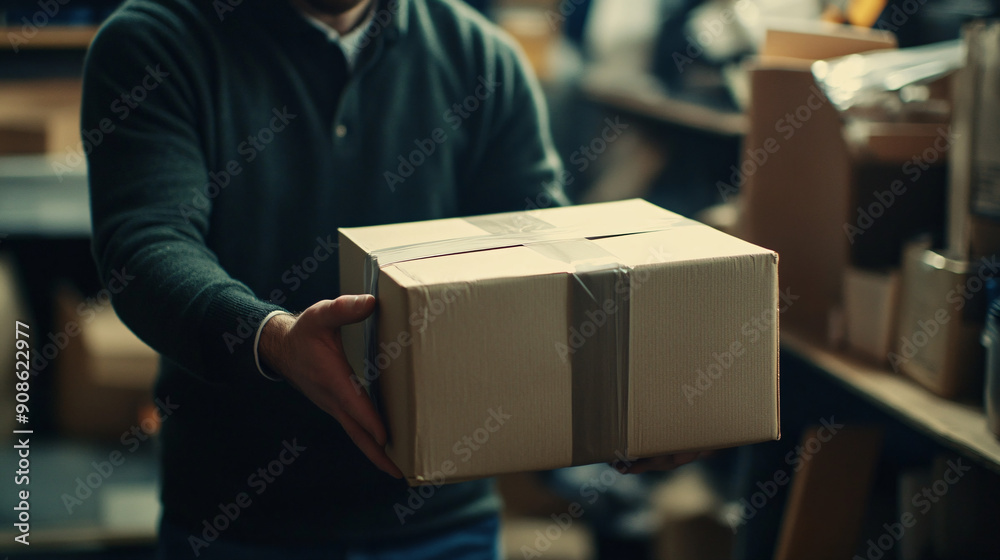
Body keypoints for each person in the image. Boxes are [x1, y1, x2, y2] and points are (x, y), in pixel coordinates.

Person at [83, 0, 699, 557]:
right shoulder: (155, 41)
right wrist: (272, 338)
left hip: (444, 518)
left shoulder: (481, 56)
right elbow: (146, 247)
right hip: (240, 520)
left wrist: (623, 405)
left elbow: (539, 264)